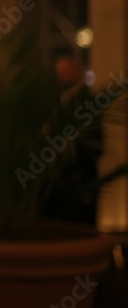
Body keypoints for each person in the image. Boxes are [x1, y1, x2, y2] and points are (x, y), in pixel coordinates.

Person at [43, 55, 103, 224]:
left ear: (76, 73)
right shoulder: (59, 99)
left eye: (64, 72)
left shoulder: (87, 102)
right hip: (58, 183)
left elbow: (93, 141)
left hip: (78, 180)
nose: (60, 77)